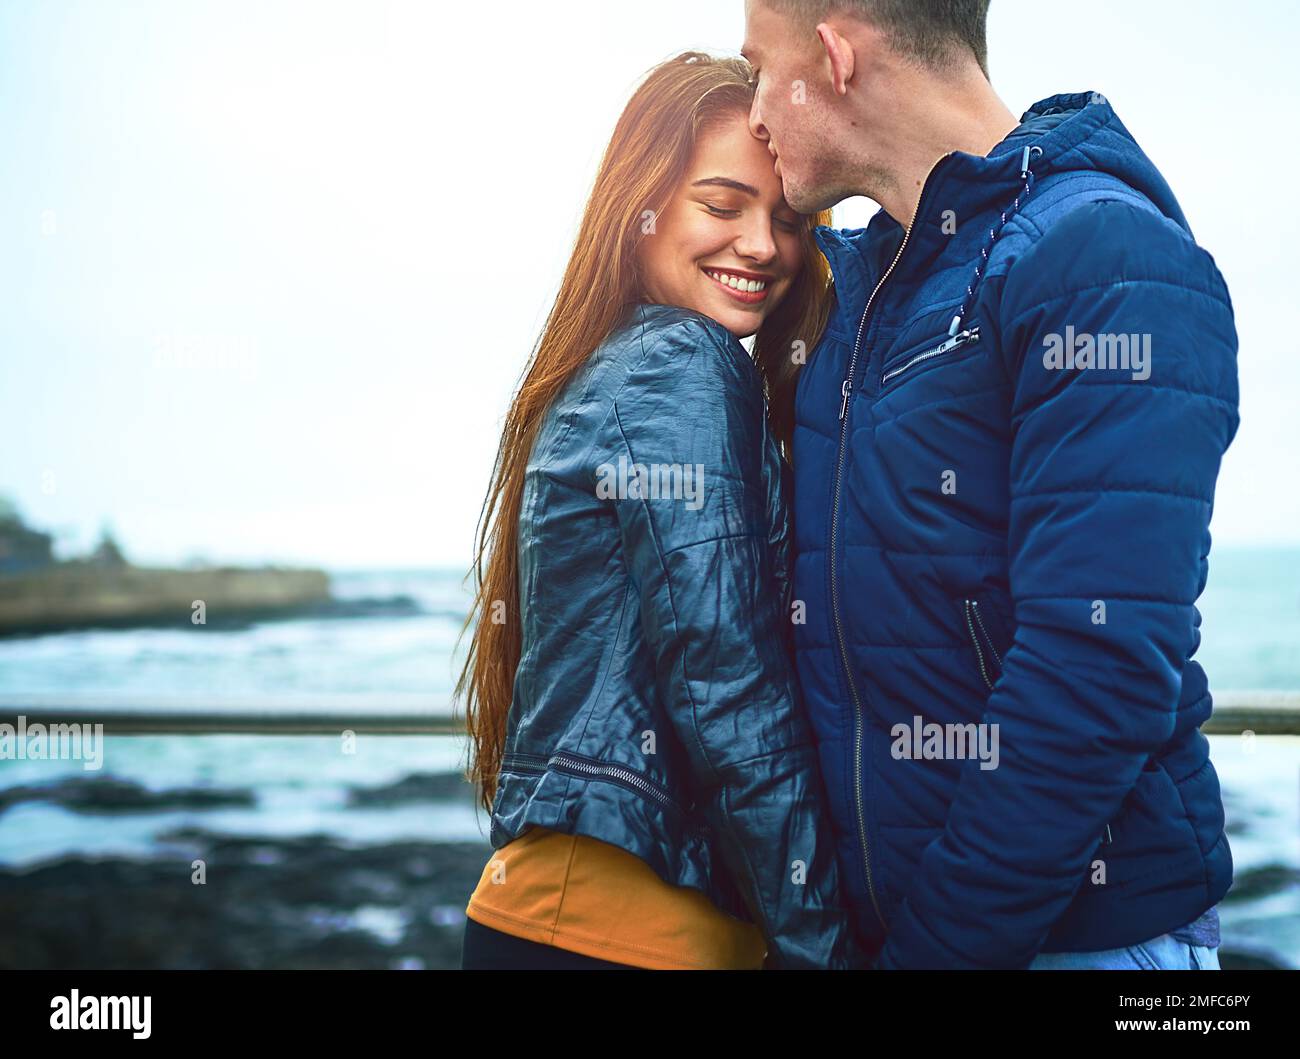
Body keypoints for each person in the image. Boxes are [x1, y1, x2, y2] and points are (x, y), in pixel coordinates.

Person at [740, 0, 1239, 969]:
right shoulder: (858, 292)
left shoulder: (1099, 257)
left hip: (1089, 947)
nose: (752, 110)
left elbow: (1093, 673)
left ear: (834, 57)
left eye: (759, 69)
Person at [455, 50, 866, 970]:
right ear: (636, 214)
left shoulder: (619, 367)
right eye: (721, 207)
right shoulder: (682, 364)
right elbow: (728, 682)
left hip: (566, 922)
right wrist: (824, 947)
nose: (762, 245)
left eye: (789, 219)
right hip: (621, 940)